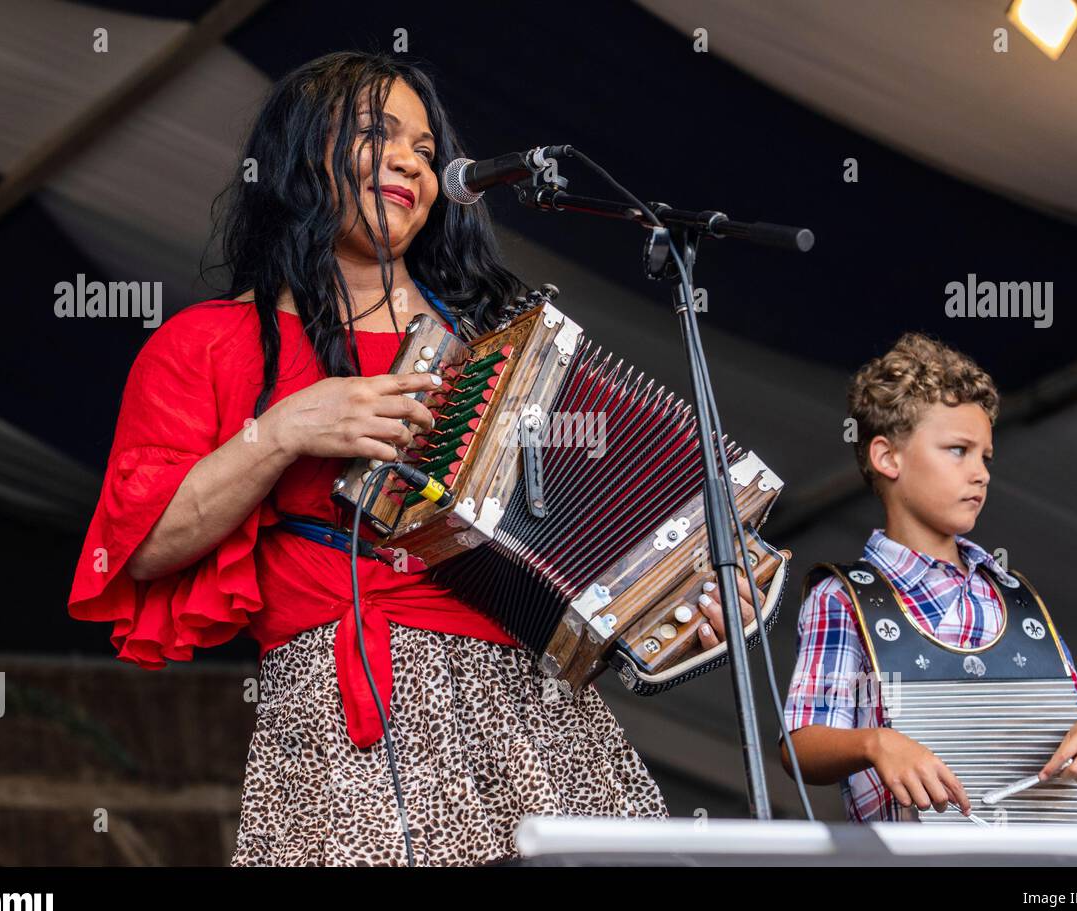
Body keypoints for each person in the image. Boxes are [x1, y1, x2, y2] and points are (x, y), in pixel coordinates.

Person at [66, 51, 682, 866]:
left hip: (539, 719)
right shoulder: (205, 345)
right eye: (376, 135)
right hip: (348, 720)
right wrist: (283, 430)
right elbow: (139, 544)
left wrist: (682, 600)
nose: (410, 162)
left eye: (427, 152)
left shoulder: (501, 352)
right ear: (298, 155)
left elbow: (597, 541)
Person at [739, 332, 1077, 822]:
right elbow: (800, 745)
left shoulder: (1014, 597)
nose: (981, 473)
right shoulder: (848, 597)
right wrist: (878, 744)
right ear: (887, 457)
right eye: (958, 450)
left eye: (985, 456)